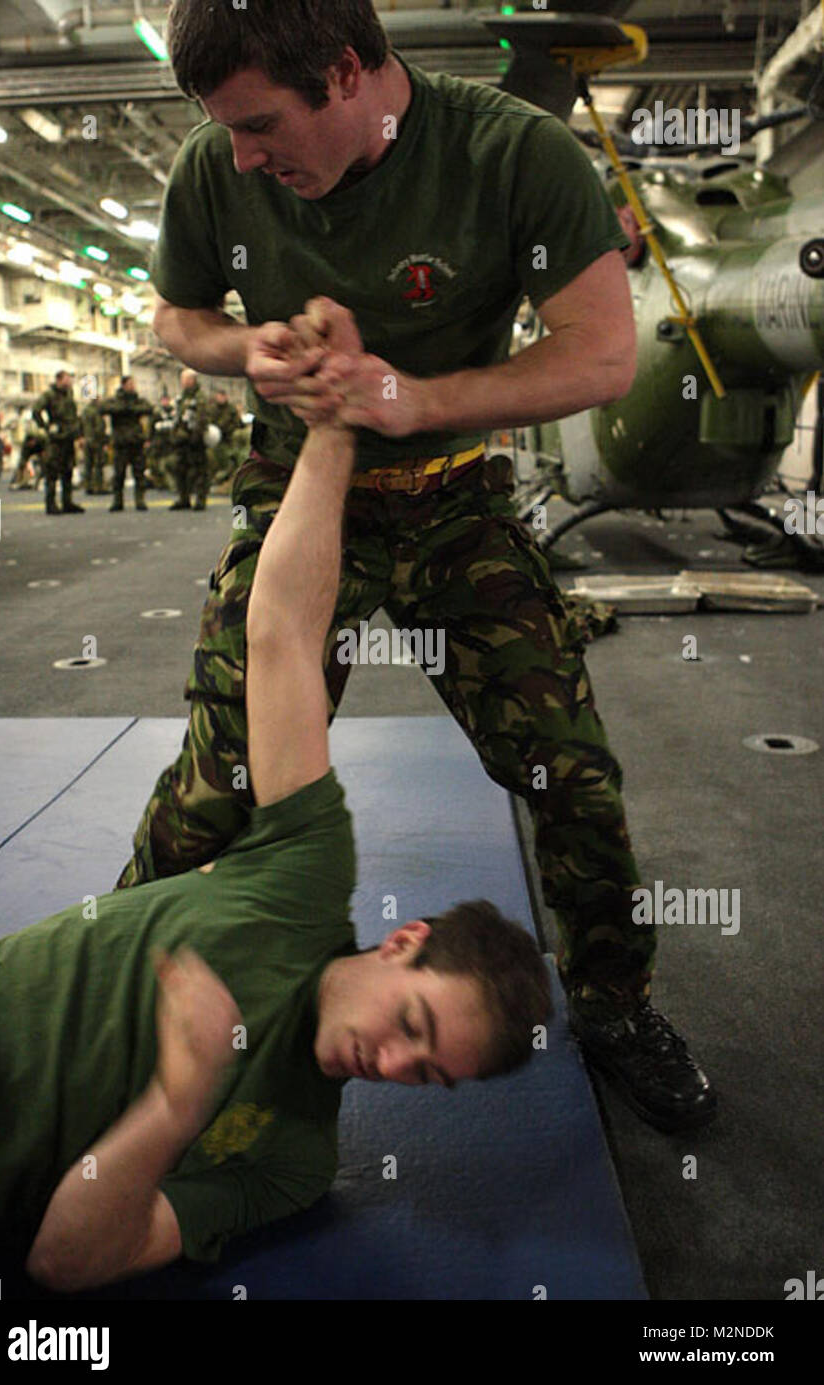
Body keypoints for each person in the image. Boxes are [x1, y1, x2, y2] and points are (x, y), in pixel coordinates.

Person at [117, 0, 714, 1133]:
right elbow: (176, 316)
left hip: (453, 507)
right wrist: (252, 348)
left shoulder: (508, 154)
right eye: (225, 132)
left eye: (258, 126)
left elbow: (601, 353)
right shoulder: (215, 166)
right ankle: (109, 978)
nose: (238, 156)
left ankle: (613, 1002)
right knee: (215, 787)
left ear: (344, 72)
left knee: (569, 777)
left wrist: (416, 399)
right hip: (305, 499)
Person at [0, 301, 550, 1290]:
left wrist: (178, 1102)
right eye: (413, 1028)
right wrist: (330, 429)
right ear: (402, 942)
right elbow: (280, 634)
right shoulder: (304, 878)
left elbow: (66, 1260)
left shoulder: (290, 1164)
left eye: (428, 1076)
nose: (395, 1070)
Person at [99, 376, 155, 512]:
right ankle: (117, 501)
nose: (133, 386)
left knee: (139, 473)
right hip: (121, 442)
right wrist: (124, 408)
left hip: (136, 441)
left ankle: (140, 500)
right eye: (130, 384)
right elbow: (103, 408)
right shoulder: (115, 400)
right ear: (123, 385)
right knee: (119, 474)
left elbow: (148, 408)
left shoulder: (137, 400)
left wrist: (131, 408)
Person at [32, 370, 83, 515]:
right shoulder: (49, 395)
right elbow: (36, 410)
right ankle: (51, 504)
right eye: (67, 379)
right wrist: (46, 427)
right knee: (52, 472)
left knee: (68, 471)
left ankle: (67, 502)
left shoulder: (69, 394)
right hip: (56, 440)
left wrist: (79, 435)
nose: (70, 382)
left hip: (68, 438)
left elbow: (74, 417)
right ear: (59, 380)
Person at [170, 369, 210, 510]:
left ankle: (200, 499)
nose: (183, 382)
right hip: (181, 440)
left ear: (192, 380)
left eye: (185, 379)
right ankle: (183, 498)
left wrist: (197, 435)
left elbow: (202, 417)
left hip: (195, 439)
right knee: (180, 469)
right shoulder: (181, 398)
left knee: (199, 470)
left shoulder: (200, 397)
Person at [207, 388, 243, 485]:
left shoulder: (231, 409)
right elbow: (209, 423)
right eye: (219, 396)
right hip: (215, 439)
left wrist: (228, 428)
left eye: (223, 396)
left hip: (229, 438)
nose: (221, 398)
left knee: (230, 460)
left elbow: (237, 423)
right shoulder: (212, 409)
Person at [147, 390, 177, 489]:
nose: (165, 402)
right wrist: (149, 439)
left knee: (170, 463)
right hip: (159, 441)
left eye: (166, 400)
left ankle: (171, 483)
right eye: (163, 400)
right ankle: (160, 482)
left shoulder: (174, 412)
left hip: (171, 440)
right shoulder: (157, 413)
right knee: (157, 463)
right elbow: (151, 426)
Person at [80, 398, 109, 495]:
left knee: (88, 464)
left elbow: (80, 425)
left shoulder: (85, 411)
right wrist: (105, 441)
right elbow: (100, 428)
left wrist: (81, 437)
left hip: (86, 440)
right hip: (96, 441)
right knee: (98, 464)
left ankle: (88, 486)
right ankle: (99, 487)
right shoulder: (97, 412)